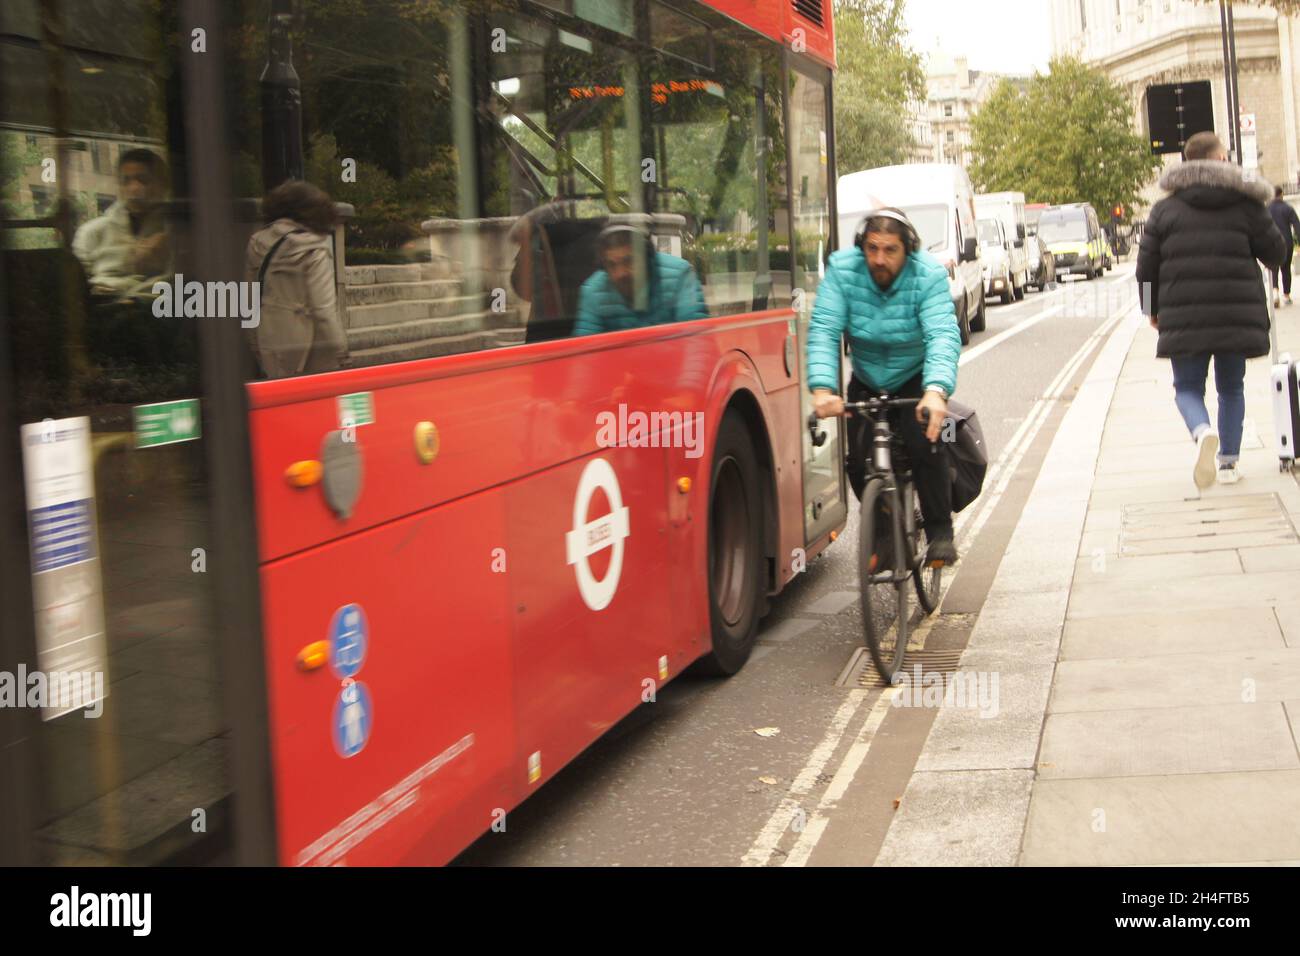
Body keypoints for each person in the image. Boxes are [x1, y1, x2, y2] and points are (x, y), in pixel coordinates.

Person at [807, 207, 962, 566]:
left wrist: (936, 391)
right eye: (872, 248)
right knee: (857, 461)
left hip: (914, 375)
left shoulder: (927, 275)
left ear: (907, 249)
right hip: (868, 377)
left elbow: (942, 333)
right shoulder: (843, 270)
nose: (879, 258)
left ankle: (940, 531)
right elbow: (824, 329)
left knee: (927, 442)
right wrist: (822, 388)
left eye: (890, 250)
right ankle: (884, 528)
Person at [1135, 131, 1287, 488]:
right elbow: (1277, 254)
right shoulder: (1247, 204)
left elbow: (1145, 269)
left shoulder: (1163, 210)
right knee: (1231, 387)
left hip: (1184, 315)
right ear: (1221, 160)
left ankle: (1202, 431)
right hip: (1236, 314)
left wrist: (1150, 309)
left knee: (1187, 388)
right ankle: (1230, 464)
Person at [245, 180, 349, 378]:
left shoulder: (257, 241)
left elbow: (248, 301)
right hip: (309, 348)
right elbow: (323, 311)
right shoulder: (314, 248)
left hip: (269, 338)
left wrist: (254, 342)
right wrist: (342, 352)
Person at [571, 224, 707, 336]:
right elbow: (585, 356)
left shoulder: (680, 275)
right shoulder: (593, 290)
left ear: (647, 258)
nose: (620, 273)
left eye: (629, 261)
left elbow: (697, 340)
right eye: (611, 265)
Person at [72, 148, 171, 296]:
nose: (134, 188)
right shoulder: (91, 232)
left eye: (143, 180)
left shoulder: (176, 231)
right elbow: (74, 283)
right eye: (126, 181)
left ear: (162, 185)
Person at [1267, 186, 1299, 307]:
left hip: (1271, 242)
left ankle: (1275, 293)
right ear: (1281, 194)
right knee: (1286, 269)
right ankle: (1286, 295)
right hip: (1286, 242)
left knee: (1273, 268)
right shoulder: (1288, 208)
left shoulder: (1266, 209)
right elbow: (1297, 226)